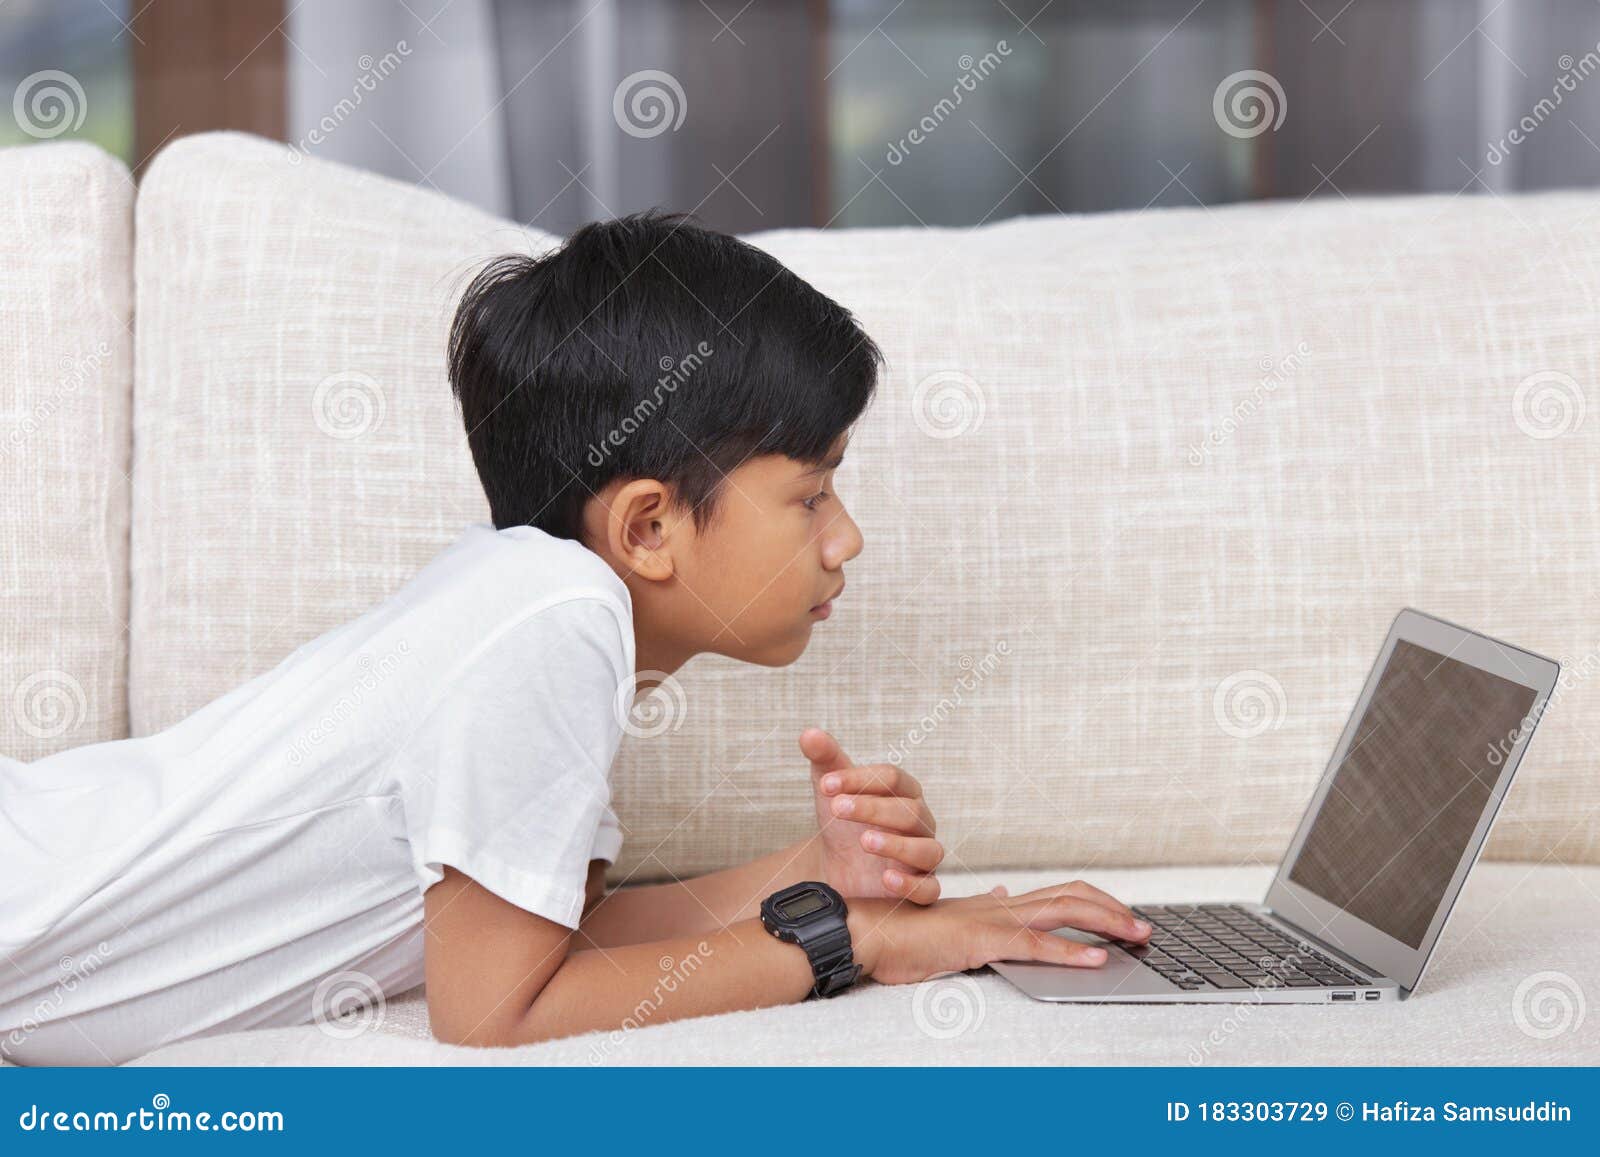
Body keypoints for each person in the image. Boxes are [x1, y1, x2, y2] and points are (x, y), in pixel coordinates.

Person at [0, 211, 1149, 1064]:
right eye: (812, 494)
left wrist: (808, 878)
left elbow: (551, 942)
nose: (845, 540)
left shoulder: (535, 609)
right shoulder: (549, 620)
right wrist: (848, 945)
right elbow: (496, 1014)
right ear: (649, 524)